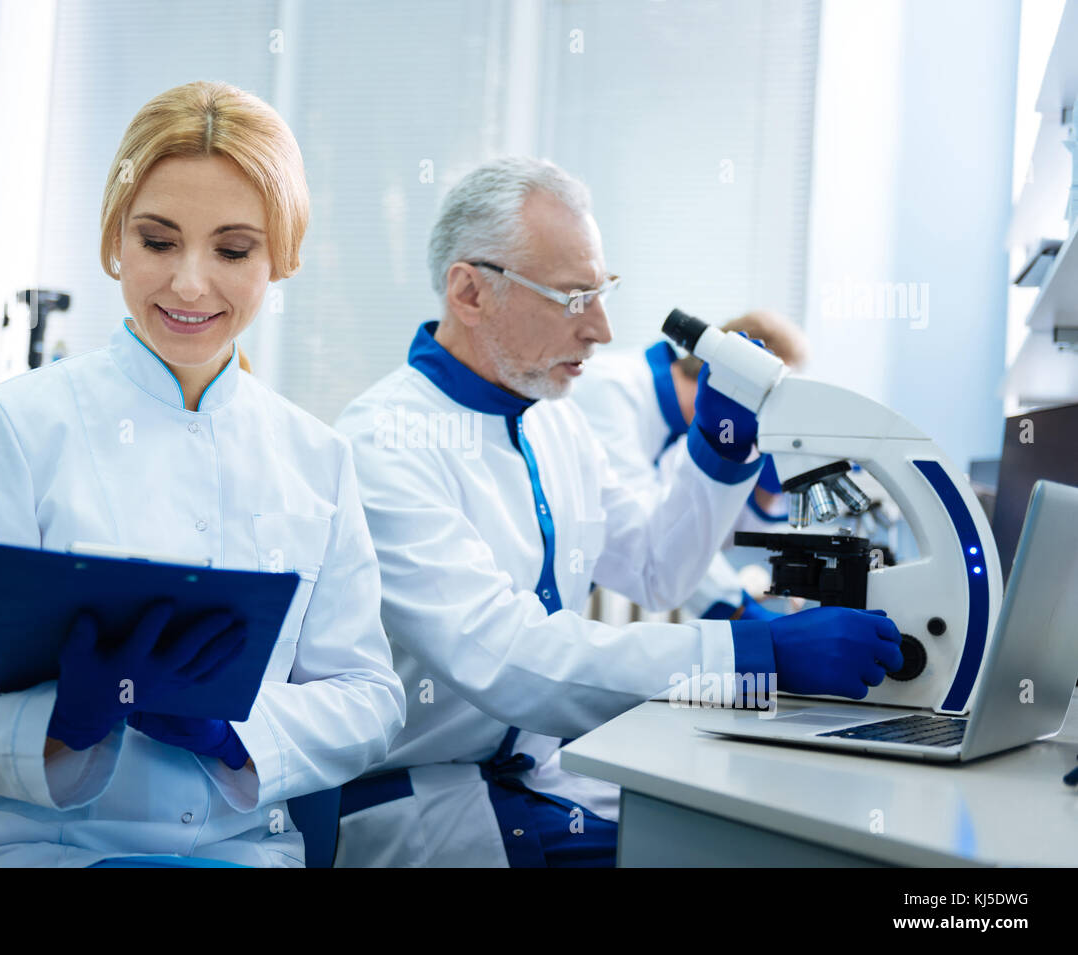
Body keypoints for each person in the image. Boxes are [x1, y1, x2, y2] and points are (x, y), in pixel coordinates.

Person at [333, 157, 901, 867]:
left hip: (542, 775)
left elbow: (658, 569)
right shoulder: (384, 443)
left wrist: (719, 453)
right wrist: (761, 655)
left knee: (775, 830)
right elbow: (508, 660)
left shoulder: (553, 422)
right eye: (573, 297)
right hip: (430, 804)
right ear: (470, 291)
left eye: (601, 292)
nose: (602, 328)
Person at [0, 81, 405, 867]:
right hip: (30, 847)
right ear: (115, 241)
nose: (188, 283)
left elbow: (371, 698)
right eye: (157, 240)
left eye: (233, 250)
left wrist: (234, 729)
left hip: (238, 853)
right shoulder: (16, 423)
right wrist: (62, 723)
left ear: (281, 255)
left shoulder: (317, 457)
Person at [572, 310, 810, 622]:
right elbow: (647, 542)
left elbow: (700, 532)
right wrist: (738, 609)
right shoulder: (613, 389)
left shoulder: (687, 428)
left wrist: (769, 483)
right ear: (742, 376)